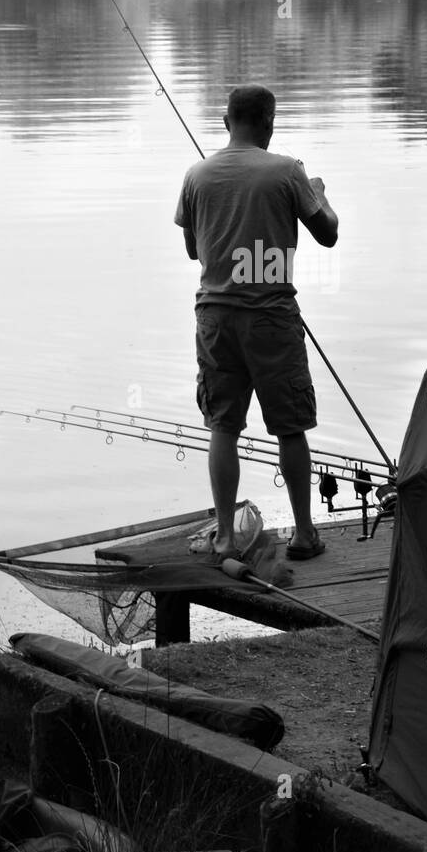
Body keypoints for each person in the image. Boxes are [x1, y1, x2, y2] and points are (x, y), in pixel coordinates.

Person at [174, 84, 339, 562]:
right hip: (270, 315)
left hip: (215, 317)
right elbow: (327, 234)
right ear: (269, 123)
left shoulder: (196, 175)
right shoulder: (288, 171)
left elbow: (193, 250)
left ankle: (224, 536)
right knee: (290, 426)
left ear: (227, 122)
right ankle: (305, 535)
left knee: (222, 426)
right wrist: (319, 196)